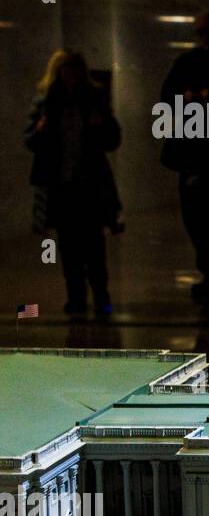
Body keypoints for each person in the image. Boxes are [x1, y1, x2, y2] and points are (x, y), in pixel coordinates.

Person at [24, 49, 122, 316]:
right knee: (70, 248)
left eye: (73, 69)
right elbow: (31, 141)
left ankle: (100, 295)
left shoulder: (92, 100)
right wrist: (42, 129)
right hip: (62, 185)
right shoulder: (46, 103)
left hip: (87, 184)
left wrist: (100, 124)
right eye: (65, 69)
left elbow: (113, 139)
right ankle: (77, 297)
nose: (70, 75)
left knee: (93, 246)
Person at [160, 11, 209, 300]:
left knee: (207, 218)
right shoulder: (190, 63)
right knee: (199, 219)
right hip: (199, 153)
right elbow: (168, 99)